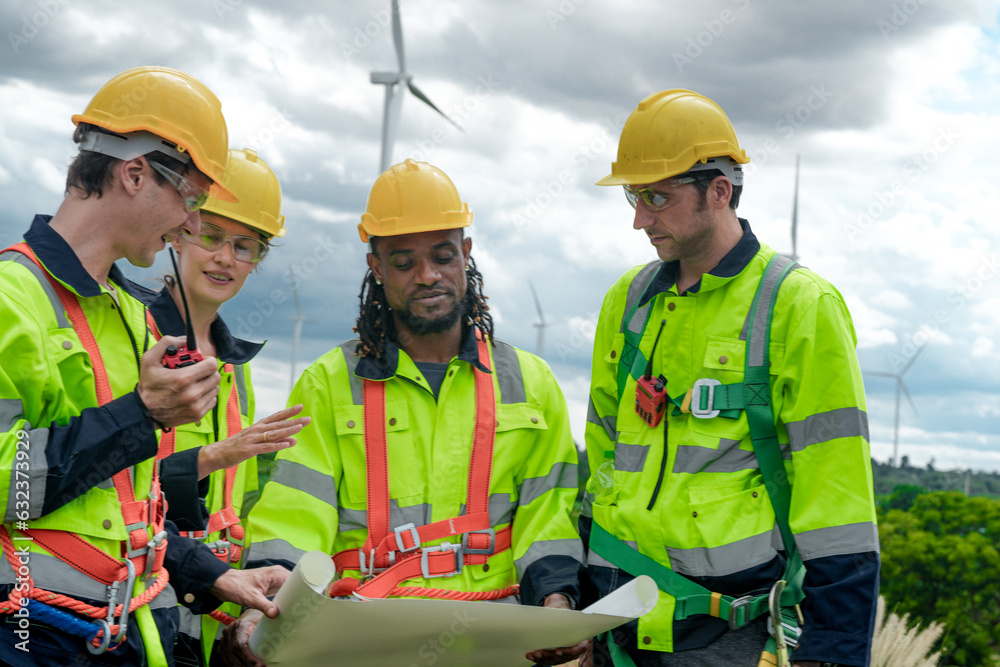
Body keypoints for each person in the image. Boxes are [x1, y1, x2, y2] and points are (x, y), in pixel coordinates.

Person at [223, 159, 585, 667]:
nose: (427, 276)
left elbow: (549, 515)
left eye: (442, 256)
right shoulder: (328, 384)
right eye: (403, 262)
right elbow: (295, 512)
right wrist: (268, 600)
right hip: (363, 631)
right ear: (376, 268)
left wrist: (558, 603)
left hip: (492, 634)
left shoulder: (531, 383)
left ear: (466, 253)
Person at [0, 67, 289, 667]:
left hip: (124, 633)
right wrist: (143, 413)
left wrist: (213, 575)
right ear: (133, 174)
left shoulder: (132, 317)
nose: (190, 225)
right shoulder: (11, 297)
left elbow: (136, 505)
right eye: (191, 201)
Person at [581, 90, 879, 667]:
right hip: (619, 624)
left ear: (719, 191)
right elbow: (601, 457)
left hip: (731, 637)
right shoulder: (628, 301)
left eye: (658, 197)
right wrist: (586, 605)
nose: (640, 219)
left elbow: (836, 494)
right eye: (633, 196)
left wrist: (833, 651)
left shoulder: (798, 305)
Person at [140, 147, 310, 667]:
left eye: (245, 247)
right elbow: (108, 480)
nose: (225, 258)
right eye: (210, 236)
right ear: (177, 231)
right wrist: (213, 456)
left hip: (212, 609)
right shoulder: (134, 334)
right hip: (147, 603)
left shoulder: (236, 367)